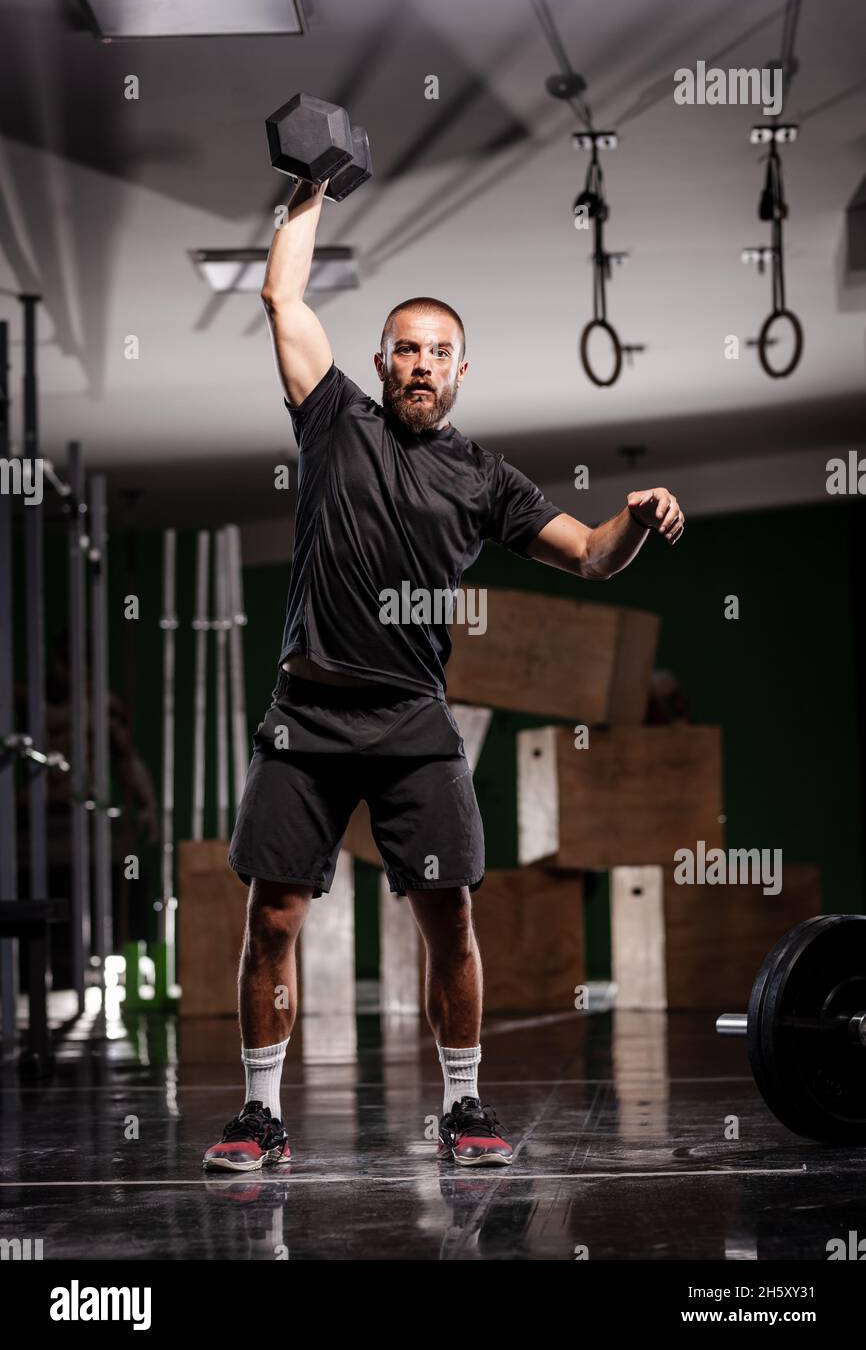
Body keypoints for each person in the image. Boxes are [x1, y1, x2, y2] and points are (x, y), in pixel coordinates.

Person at [202, 177, 684, 1173]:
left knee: (449, 914)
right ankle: (259, 1113)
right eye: (404, 347)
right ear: (380, 359)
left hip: (413, 719)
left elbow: (590, 555)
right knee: (273, 917)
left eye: (437, 350)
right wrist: (310, 188)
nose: (419, 364)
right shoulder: (334, 420)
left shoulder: (484, 480)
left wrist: (634, 518)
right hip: (306, 713)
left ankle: (463, 1107)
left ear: (461, 366)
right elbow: (283, 300)